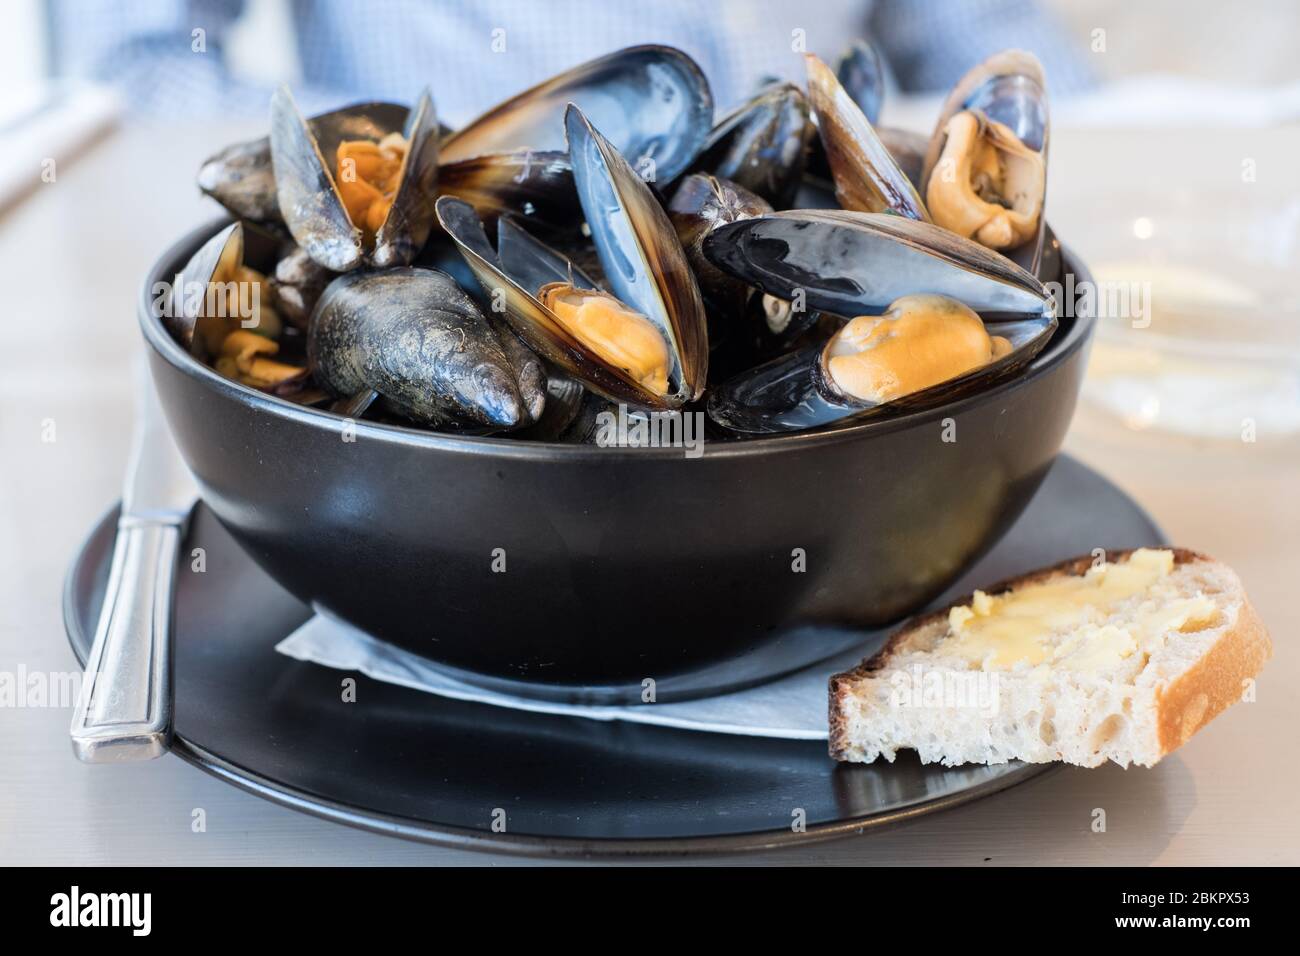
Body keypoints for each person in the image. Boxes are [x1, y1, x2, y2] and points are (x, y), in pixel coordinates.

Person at [50, 0, 1092, 122]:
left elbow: (971, 30)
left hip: (823, 293)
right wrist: (402, 166)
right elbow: (130, 65)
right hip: (459, 277)